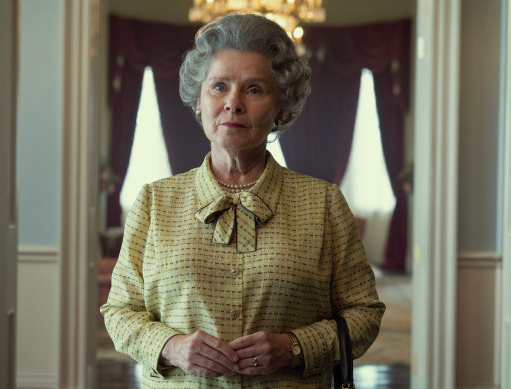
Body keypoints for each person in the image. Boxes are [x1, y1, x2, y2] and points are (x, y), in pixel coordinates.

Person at [100, 13, 385, 388]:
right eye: (219, 86)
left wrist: (294, 347)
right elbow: (119, 311)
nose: (233, 103)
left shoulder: (324, 203)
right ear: (199, 101)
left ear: (280, 108)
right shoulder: (155, 201)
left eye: (253, 89)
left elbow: (364, 314)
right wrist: (171, 346)